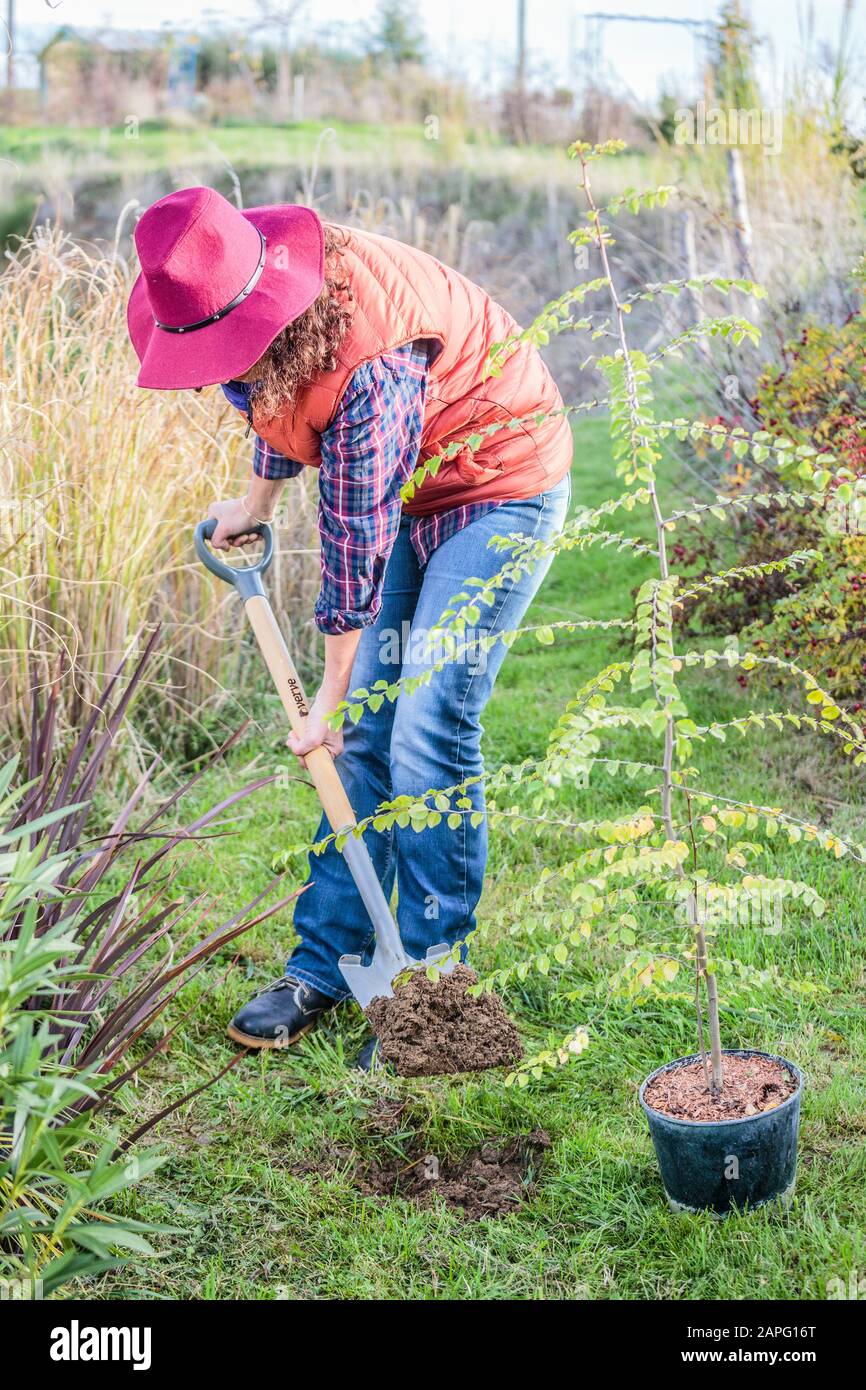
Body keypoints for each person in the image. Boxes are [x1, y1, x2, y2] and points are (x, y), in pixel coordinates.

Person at [127, 185, 572, 1066]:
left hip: (500, 481)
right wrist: (253, 504)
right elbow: (277, 399)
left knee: (426, 726)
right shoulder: (257, 311)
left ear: (268, 311)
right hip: (415, 482)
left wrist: (323, 696)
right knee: (367, 737)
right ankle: (328, 965)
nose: (225, 365)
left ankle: (437, 986)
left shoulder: (372, 358)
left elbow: (356, 546)